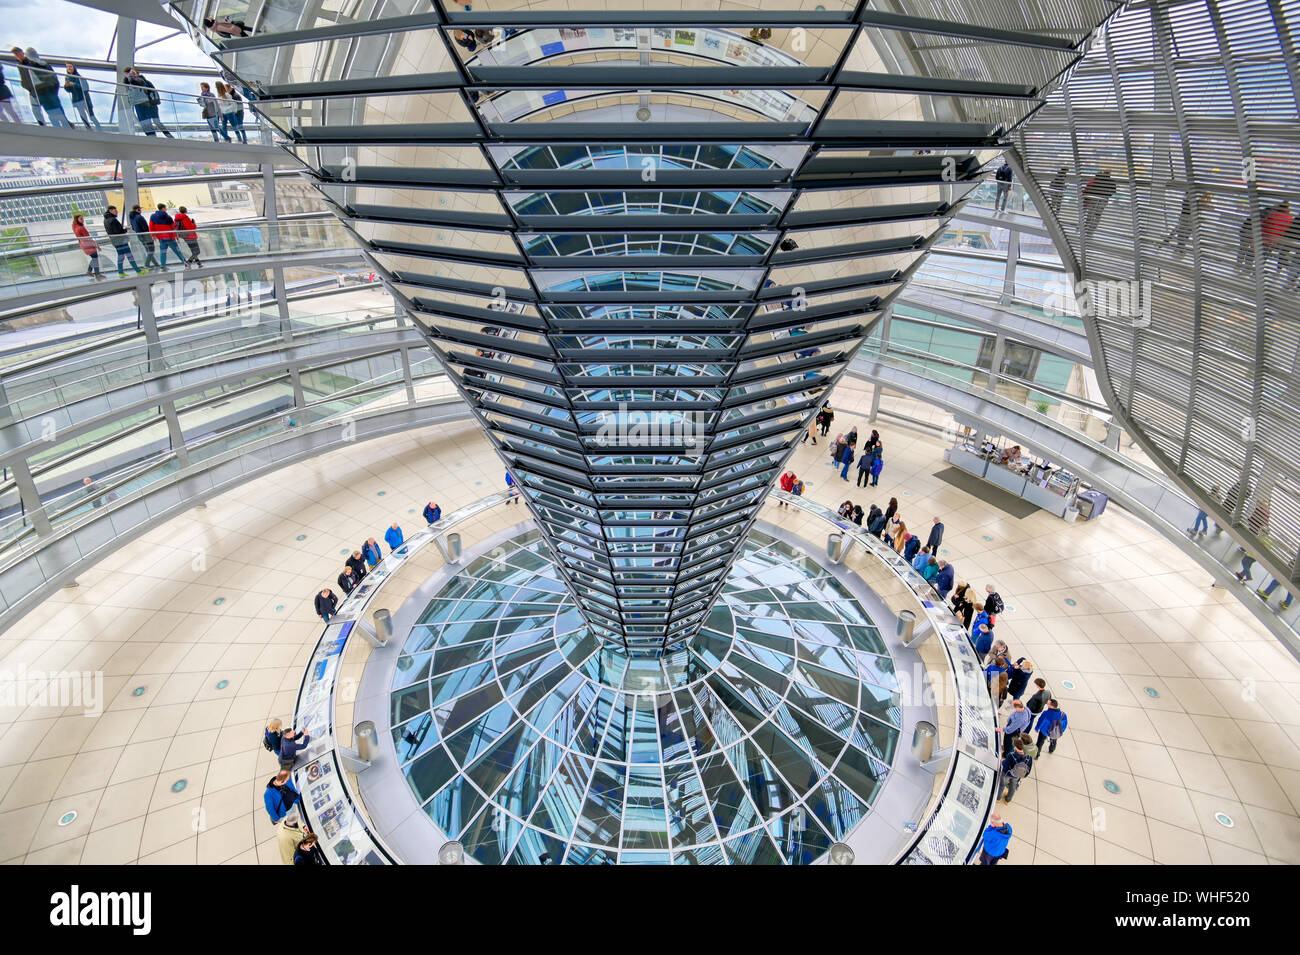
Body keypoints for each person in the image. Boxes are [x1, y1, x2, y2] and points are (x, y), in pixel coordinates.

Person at [13, 48, 69, 127]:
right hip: (48, 90)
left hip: (38, 90)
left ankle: (51, 126)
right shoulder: (45, 64)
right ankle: (65, 126)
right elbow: (54, 78)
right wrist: (54, 90)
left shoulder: (29, 64)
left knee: (43, 110)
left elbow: (26, 79)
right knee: (55, 110)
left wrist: (27, 87)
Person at [1157, 189, 1210, 257]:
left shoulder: (1192, 201)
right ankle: (1169, 246)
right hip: (1185, 220)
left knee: (1180, 234)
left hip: (1186, 220)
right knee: (1180, 234)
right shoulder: (1190, 201)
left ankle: (1168, 245)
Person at [123, 68, 173, 137]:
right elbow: (126, 84)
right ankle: (167, 136)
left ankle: (154, 137)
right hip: (147, 104)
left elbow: (132, 81)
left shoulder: (140, 80)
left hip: (143, 104)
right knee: (155, 122)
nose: (128, 75)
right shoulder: (144, 82)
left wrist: (131, 74)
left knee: (147, 123)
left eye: (129, 74)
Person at [101, 205, 142, 275]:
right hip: (121, 240)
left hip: (114, 241)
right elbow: (118, 231)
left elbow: (113, 230)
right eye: (115, 210)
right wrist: (126, 229)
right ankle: (138, 271)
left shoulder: (105, 220)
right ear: (110, 211)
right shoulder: (113, 220)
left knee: (121, 256)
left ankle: (120, 272)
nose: (116, 212)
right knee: (129, 255)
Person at [62, 63, 100, 130]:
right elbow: (69, 90)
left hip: (84, 99)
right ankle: (88, 128)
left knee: (91, 115)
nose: (69, 68)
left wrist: (74, 84)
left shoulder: (79, 77)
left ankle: (99, 128)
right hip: (77, 100)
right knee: (83, 116)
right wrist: (66, 86)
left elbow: (85, 88)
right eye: (67, 67)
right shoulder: (68, 78)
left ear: (74, 67)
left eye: (70, 66)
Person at [1081, 169, 1116, 236]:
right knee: (1098, 215)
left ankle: (1086, 227)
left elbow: (1092, 188)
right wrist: (1107, 194)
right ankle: (1091, 231)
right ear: (1110, 174)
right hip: (1104, 200)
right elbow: (1113, 191)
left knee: (1090, 213)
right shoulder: (1112, 182)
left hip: (1094, 199)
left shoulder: (1097, 180)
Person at [149, 203, 184, 267]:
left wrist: (153, 235)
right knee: (177, 251)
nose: (166, 209)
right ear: (162, 208)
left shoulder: (153, 216)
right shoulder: (168, 217)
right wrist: (176, 236)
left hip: (161, 238)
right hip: (170, 237)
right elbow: (173, 228)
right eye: (165, 208)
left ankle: (163, 266)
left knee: (163, 252)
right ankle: (185, 262)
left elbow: (151, 227)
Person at [71, 214, 103, 280]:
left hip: (83, 244)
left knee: (94, 258)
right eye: (81, 219)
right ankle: (96, 273)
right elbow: (89, 238)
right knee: (95, 258)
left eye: (83, 218)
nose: (83, 220)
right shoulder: (81, 228)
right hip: (88, 244)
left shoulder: (75, 227)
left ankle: (92, 271)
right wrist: (96, 246)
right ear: (77, 220)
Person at [999, 739, 1032, 803]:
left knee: (1002, 785)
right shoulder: (1029, 757)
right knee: (1013, 787)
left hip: (1007, 774)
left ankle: (998, 798)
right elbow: (1029, 768)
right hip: (1017, 774)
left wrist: (1003, 761)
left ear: (1015, 747)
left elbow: (1004, 764)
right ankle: (1008, 800)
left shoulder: (1011, 755)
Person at [129, 204, 159, 270]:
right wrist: (151, 234)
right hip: (146, 235)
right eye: (140, 209)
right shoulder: (139, 217)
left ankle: (156, 264)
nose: (141, 210)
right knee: (151, 251)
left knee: (149, 251)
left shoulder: (132, 218)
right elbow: (145, 227)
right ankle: (146, 265)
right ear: (137, 210)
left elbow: (133, 228)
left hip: (139, 236)